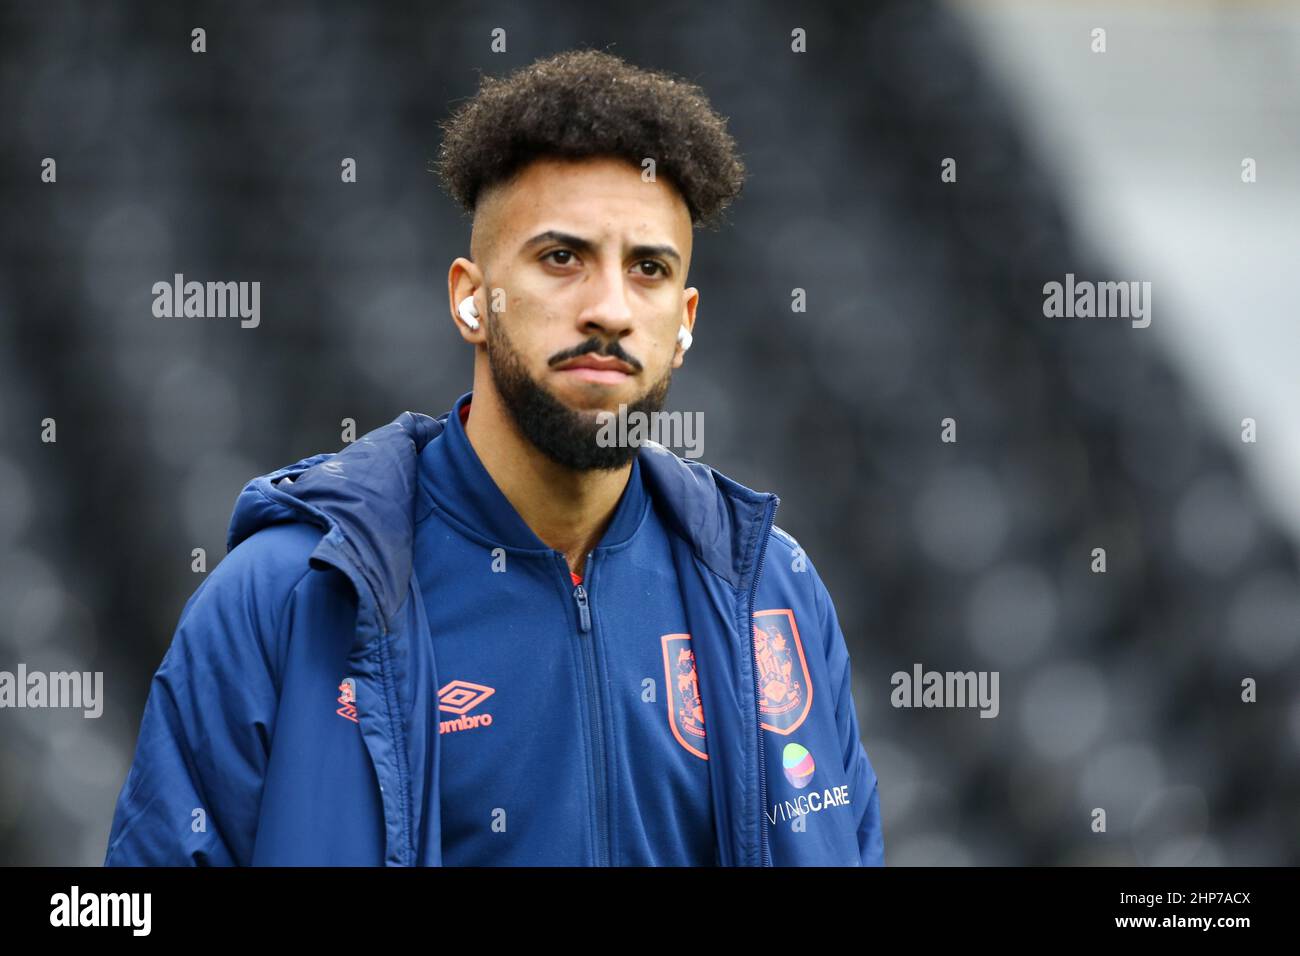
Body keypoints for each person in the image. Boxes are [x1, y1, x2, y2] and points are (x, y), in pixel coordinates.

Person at [103, 48, 883, 866]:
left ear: (684, 320)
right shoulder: (288, 598)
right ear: (471, 298)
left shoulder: (772, 591)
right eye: (561, 258)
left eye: (647, 269)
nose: (610, 308)